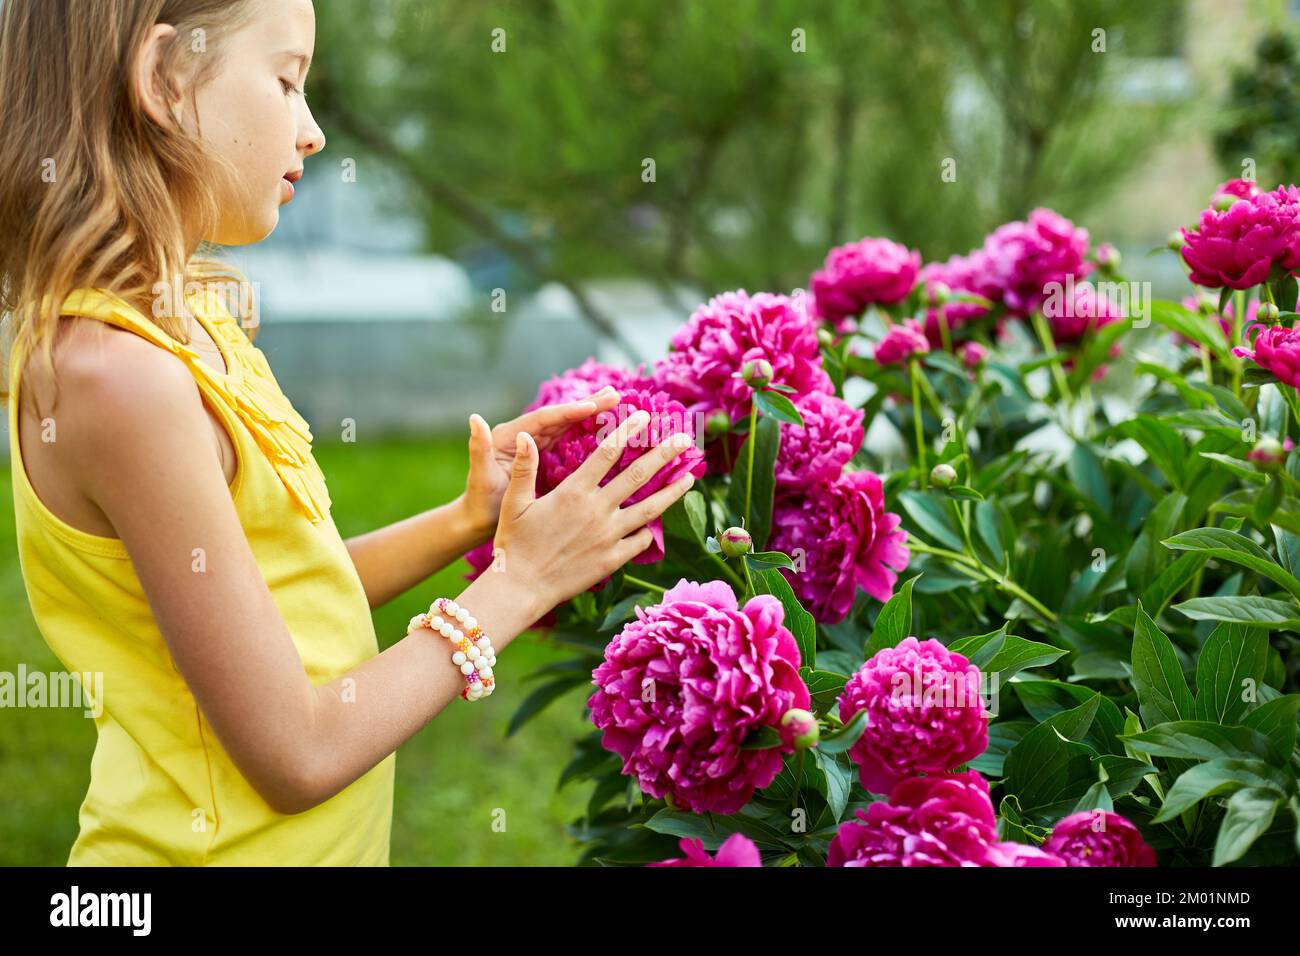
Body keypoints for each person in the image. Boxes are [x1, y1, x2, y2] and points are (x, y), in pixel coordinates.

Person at [0, 0, 696, 865]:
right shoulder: (118, 381)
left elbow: (279, 600)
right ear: (164, 78)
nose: (314, 131)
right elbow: (298, 754)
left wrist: (464, 521)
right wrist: (519, 584)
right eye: (287, 81)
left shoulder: (188, 326)